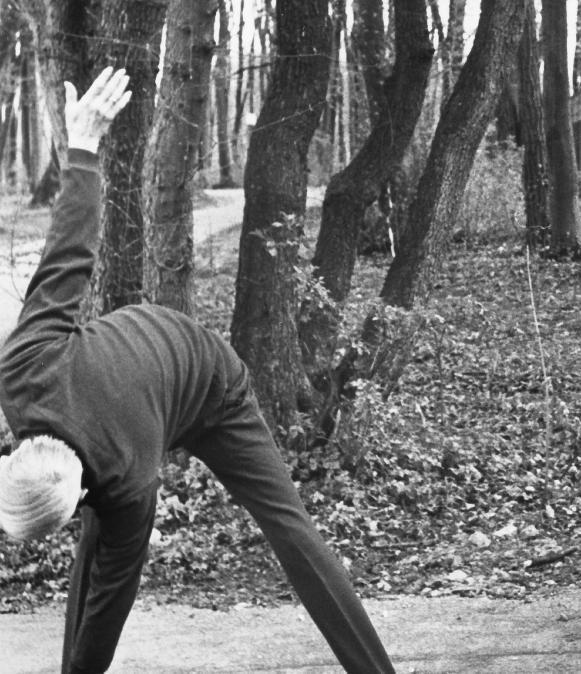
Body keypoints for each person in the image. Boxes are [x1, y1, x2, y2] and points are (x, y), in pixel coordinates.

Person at [0, 69, 396, 673]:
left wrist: (84, 150)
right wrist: (82, 144)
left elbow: (111, 599)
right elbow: (70, 252)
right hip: (145, 381)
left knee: (287, 524)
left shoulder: (120, 480)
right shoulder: (26, 366)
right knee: (101, 534)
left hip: (213, 384)